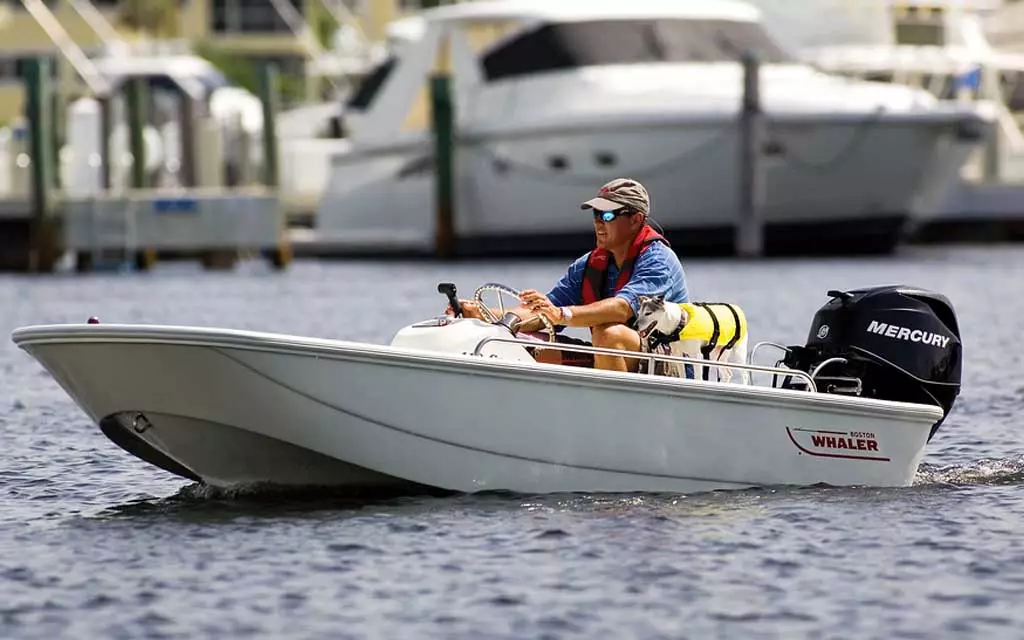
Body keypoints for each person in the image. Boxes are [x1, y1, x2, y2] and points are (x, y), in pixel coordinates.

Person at [453, 177, 689, 372]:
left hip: (670, 365)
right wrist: (483, 314)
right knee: (526, 343)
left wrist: (562, 314)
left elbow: (622, 308)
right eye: (595, 214)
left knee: (608, 335)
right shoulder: (588, 265)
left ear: (636, 219)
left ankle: (613, 417)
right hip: (615, 358)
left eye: (607, 215)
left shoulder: (659, 260)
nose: (598, 222)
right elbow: (545, 315)